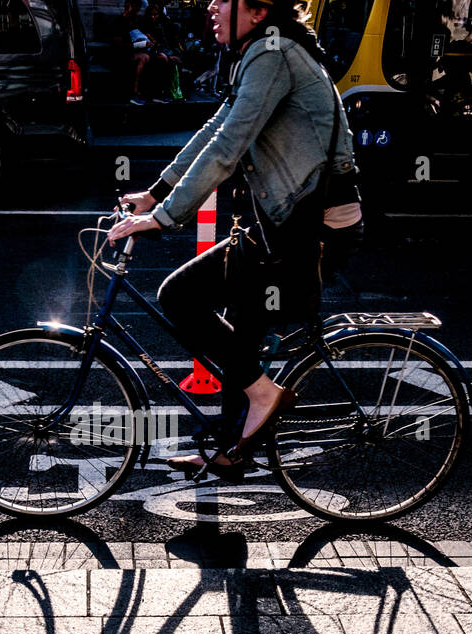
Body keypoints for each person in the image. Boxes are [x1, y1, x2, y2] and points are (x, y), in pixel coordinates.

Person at [107, 0, 357, 478]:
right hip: (277, 227)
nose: (212, 7)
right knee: (237, 333)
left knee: (181, 296)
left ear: (259, 11)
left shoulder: (274, 54)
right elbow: (213, 130)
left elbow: (228, 147)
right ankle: (232, 448)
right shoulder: (258, 53)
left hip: (312, 230)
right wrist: (157, 192)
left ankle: (264, 397)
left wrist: (164, 216)